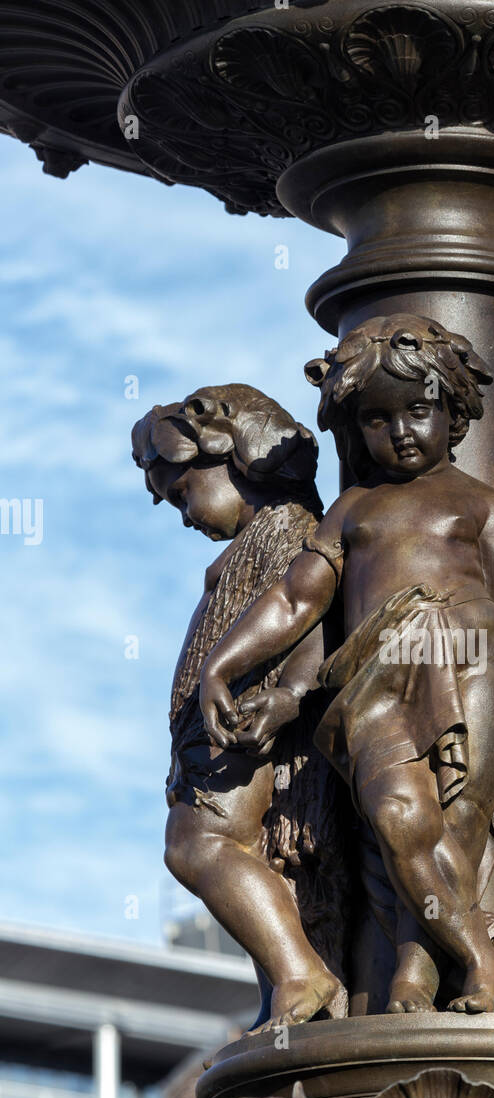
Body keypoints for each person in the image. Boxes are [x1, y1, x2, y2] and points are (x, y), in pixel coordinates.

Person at [199, 316, 494, 1014]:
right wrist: (229, 666)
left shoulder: (481, 505)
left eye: (418, 410)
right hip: (376, 671)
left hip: (473, 658)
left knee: (458, 825)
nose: (399, 430)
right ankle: (477, 955)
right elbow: (297, 600)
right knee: (397, 817)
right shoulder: (352, 509)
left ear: (455, 412)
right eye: (375, 418)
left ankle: (417, 975)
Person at [133, 385, 346, 1029]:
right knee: (242, 857)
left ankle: (300, 974)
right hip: (219, 728)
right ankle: (291, 987)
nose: (184, 515)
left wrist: (287, 694)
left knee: (199, 843)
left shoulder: (289, 532)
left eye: (183, 494)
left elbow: (311, 620)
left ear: (229, 454)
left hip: (240, 724)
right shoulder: (262, 540)